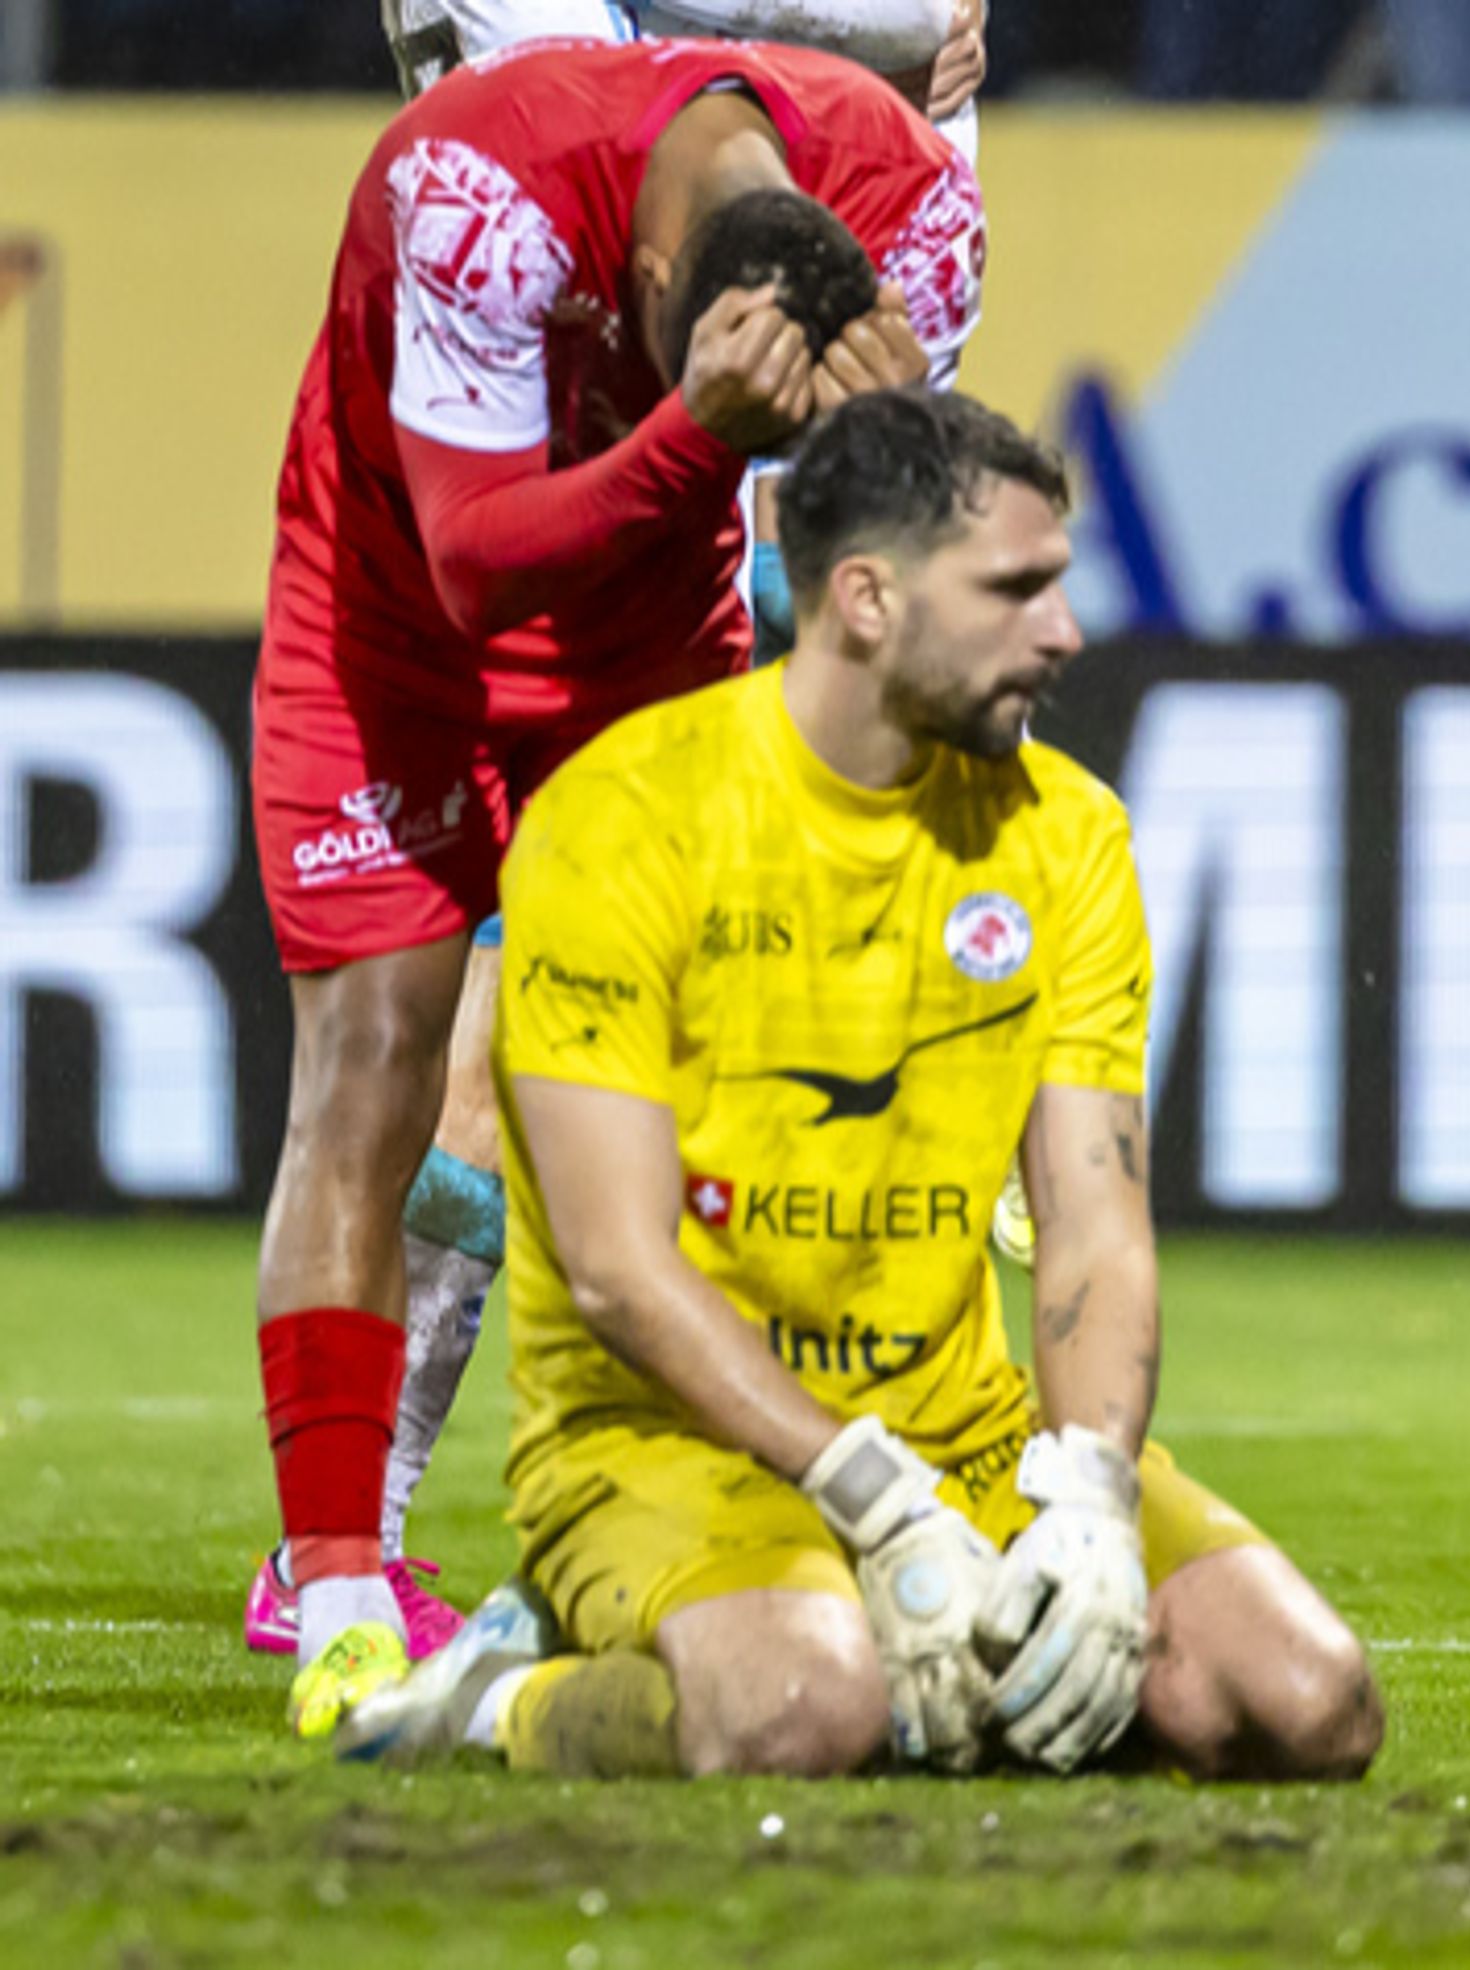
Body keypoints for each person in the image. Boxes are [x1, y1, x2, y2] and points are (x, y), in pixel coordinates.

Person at [333, 388, 1385, 1785]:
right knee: (802, 1714)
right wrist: (872, 1497)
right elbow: (615, 1270)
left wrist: (1087, 1497)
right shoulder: (623, 821)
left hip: (967, 1439)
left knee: (1304, 1703)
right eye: (1015, 590)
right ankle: (494, 1697)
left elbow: (1090, 1226)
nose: (1063, 632)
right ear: (867, 598)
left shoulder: (1066, 837)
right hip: (657, 1441)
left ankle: (880, 1636)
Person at [253, 36, 986, 1740]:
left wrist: (880, 445)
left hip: (655, 633)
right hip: (391, 623)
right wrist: (690, 432)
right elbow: (476, 560)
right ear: (649, 277)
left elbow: (893, 580)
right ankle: (337, 1585)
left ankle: (652, 1534)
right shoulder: (473, 185)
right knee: (372, 1062)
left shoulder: (917, 215)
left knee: (711, 1078)